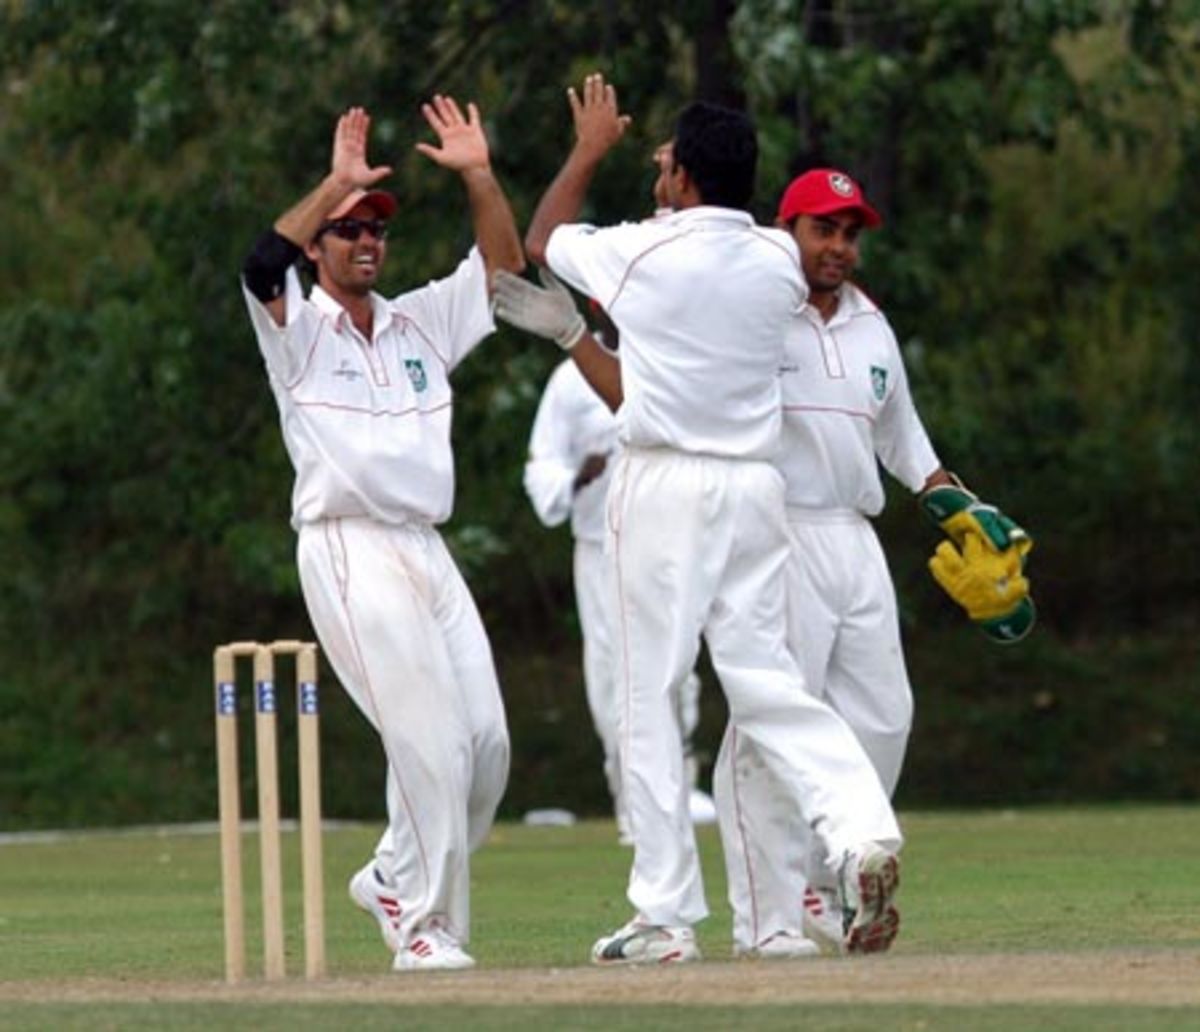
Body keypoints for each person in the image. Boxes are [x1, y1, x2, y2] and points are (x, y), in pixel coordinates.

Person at [495, 73, 903, 965]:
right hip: (757, 491)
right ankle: (861, 826)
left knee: (650, 691)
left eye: (669, 163)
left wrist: (592, 147)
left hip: (666, 486)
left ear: (682, 179)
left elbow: (538, 239)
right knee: (766, 680)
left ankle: (665, 916)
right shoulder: (774, 261)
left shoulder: (643, 251)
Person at [712, 168, 1034, 955]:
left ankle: (830, 883)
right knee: (772, 724)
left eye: (851, 233)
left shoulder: (870, 325)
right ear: (786, 230)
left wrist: (964, 509)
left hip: (853, 536)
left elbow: (904, 442)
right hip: (774, 529)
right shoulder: (753, 314)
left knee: (883, 717)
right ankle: (768, 917)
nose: (840, 247)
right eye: (824, 229)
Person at [239, 99, 523, 972]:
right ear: (319, 249)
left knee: (485, 746)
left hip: (425, 548)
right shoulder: (293, 328)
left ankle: (393, 874)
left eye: (376, 229)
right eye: (349, 230)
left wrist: (478, 174)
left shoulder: (418, 324)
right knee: (428, 740)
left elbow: (503, 270)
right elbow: (258, 262)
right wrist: (335, 181)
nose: (367, 241)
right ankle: (422, 924)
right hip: (347, 546)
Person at [522, 307, 715, 845]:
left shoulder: (666, 359)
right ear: (591, 306)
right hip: (600, 548)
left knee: (678, 669)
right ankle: (634, 804)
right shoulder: (569, 379)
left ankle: (677, 792)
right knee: (614, 678)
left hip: (668, 543)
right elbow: (541, 464)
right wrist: (575, 478)